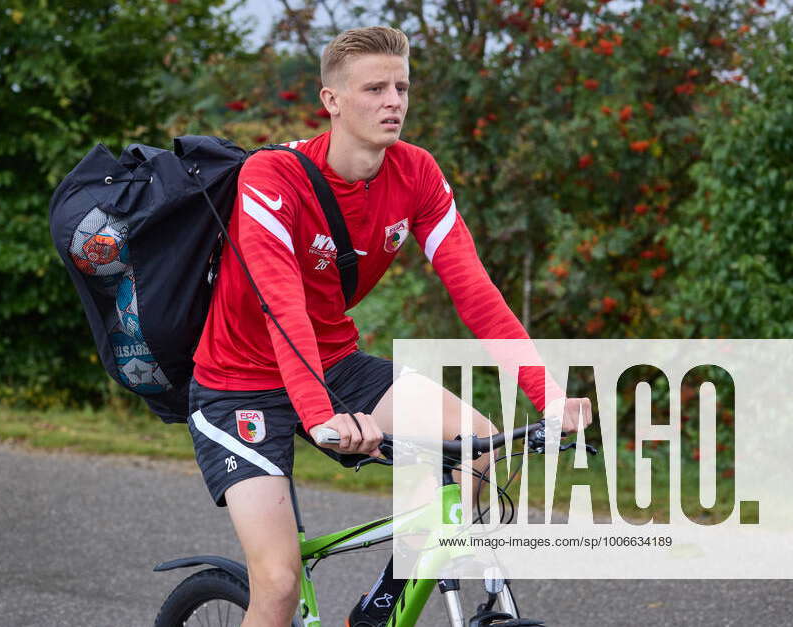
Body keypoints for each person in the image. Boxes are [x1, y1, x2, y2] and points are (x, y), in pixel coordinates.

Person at [186, 26, 593, 627]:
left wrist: (550, 397)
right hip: (238, 382)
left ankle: (375, 613)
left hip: (334, 365)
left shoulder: (416, 173)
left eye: (401, 87)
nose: (393, 102)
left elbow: (477, 294)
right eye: (374, 88)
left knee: (476, 446)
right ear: (331, 100)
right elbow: (281, 304)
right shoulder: (271, 177)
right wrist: (320, 415)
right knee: (276, 584)